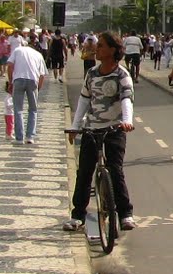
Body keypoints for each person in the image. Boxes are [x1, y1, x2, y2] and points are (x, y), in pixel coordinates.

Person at [64, 31, 137, 233]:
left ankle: (125, 214)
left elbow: (126, 99)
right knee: (85, 172)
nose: (97, 49)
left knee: (115, 170)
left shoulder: (122, 75)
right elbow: (84, 101)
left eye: (102, 46)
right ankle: (78, 216)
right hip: (92, 128)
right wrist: (76, 125)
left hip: (114, 129)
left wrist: (127, 121)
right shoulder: (92, 73)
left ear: (113, 50)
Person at [7, 32, 48, 145]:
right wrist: (38, 89)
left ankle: (19, 138)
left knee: (18, 109)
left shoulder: (18, 50)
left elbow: (10, 66)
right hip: (33, 80)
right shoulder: (38, 55)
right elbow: (42, 75)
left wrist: (10, 82)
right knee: (33, 109)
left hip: (18, 80)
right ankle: (30, 136)